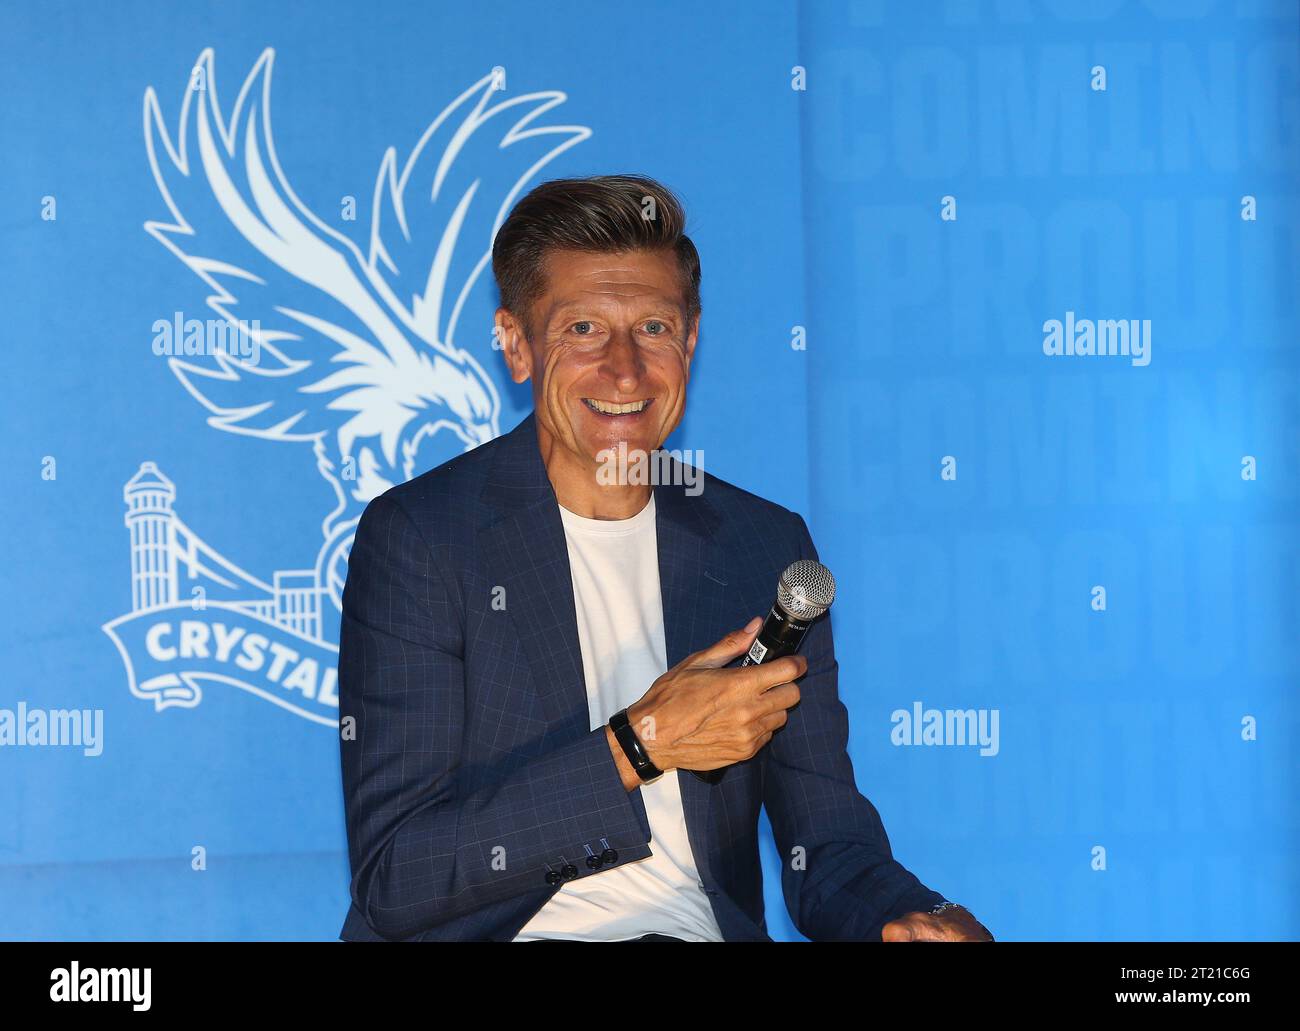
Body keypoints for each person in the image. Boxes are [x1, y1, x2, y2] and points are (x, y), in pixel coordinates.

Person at [337, 174, 992, 942]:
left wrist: (916, 917)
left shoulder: (761, 541)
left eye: (653, 326)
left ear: (690, 338)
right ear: (515, 345)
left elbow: (828, 842)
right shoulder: (422, 536)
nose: (624, 368)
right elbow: (397, 872)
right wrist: (640, 742)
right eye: (582, 329)